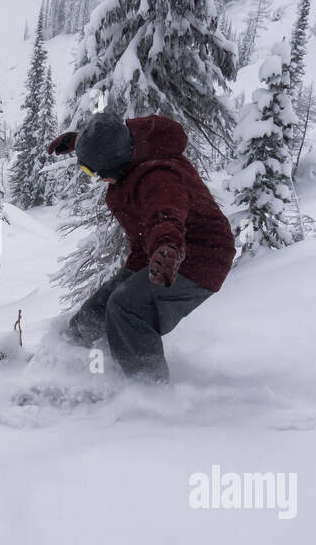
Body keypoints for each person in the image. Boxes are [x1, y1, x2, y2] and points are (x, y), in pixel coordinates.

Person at [47, 113, 235, 383]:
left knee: (127, 307)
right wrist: (80, 144)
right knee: (93, 314)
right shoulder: (131, 150)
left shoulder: (157, 177)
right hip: (153, 254)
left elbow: (166, 215)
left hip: (197, 257)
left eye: (92, 170)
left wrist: (167, 248)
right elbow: (111, 140)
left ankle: (148, 391)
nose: (96, 177)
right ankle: (67, 371)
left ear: (115, 164)